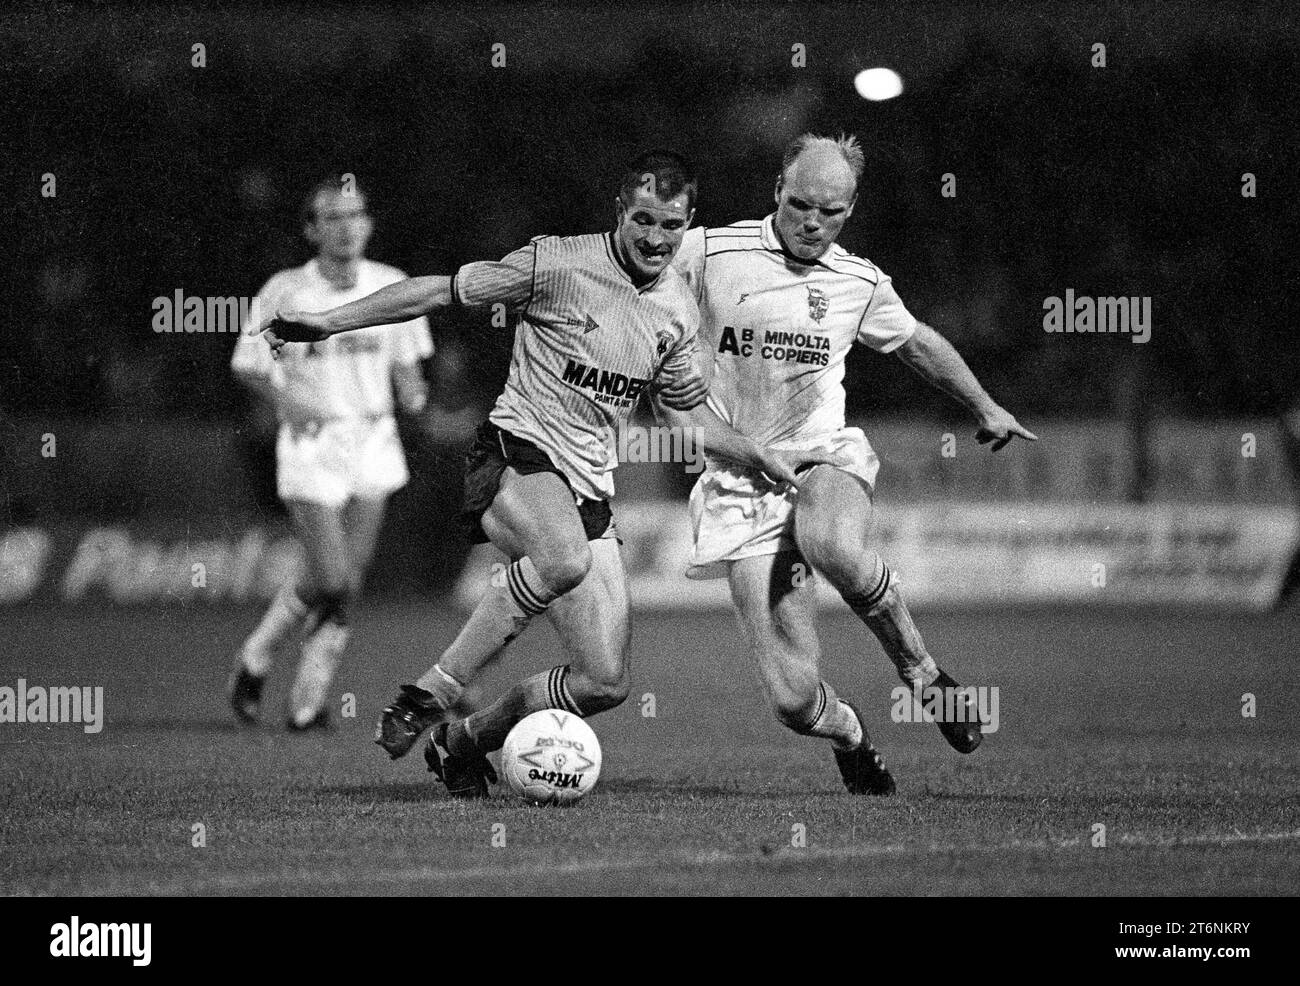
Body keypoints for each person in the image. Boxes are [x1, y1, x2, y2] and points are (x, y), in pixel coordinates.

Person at [264, 151, 828, 796]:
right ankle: (431, 692)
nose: (655, 238)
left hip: (589, 489)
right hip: (514, 454)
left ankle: (465, 740)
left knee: (605, 682)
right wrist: (330, 322)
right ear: (621, 212)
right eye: (642, 219)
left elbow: (685, 414)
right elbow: (439, 290)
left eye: (671, 225)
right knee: (562, 558)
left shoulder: (677, 307)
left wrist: (755, 452)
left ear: (688, 222)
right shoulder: (558, 262)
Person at [662, 133, 1037, 792]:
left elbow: (914, 342)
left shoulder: (857, 281)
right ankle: (851, 733)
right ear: (777, 189)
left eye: (830, 212)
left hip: (821, 455)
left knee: (833, 541)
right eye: (801, 204)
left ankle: (923, 673)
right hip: (739, 480)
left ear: (851, 209)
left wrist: (983, 405)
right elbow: (631, 286)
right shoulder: (709, 252)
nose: (812, 222)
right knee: (792, 698)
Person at [228, 176, 434, 730]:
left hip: (373, 443)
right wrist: (283, 401)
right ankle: (258, 658)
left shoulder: (393, 284)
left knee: (342, 582)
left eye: (357, 215)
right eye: (334, 218)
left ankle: (305, 705)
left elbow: (407, 363)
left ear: (369, 223)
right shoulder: (286, 290)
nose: (348, 227)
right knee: (334, 576)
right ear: (311, 229)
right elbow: (248, 363)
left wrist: (414, 392)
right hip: (312, 445)